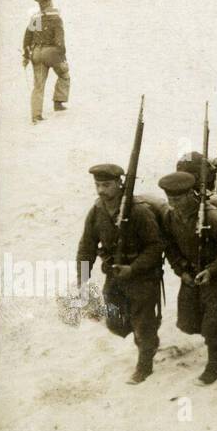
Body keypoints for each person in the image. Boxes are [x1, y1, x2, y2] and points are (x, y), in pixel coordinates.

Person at [76, 163, 164, 384]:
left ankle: (144, 365)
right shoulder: (97, 211)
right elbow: (86, 247)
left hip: (143, 276)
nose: (101, 190)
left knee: (142, 323)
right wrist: (83, 281)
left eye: (106, 185)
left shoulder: (139, 211)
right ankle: (148, 339)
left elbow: (155, 247)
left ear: (119, 184)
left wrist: (134, 268)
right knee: (116, 323)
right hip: (114, 275)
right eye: (98, 185)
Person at [157, 170, 217, 386]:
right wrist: (181, 270)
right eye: (169, 199)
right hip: (192, 275)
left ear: (189, 195)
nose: (172, 203)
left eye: (177, 199)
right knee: (188, 323)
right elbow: (170, 247)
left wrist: (211, 271)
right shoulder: (170, 216)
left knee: (212, 325)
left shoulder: (211, 216)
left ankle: (215, 365)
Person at [23, 0, 70, 123]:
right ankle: (58, 102)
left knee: (38, 85)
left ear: (40, 5)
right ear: (50, 2)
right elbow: (59, 41)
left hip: (36, 53)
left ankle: (36, 115)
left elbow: (27, 37)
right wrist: (63, 58)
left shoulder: (36, 18)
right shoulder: (56, 19)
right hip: (52, 53)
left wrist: (26, 55)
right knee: (64, 75)